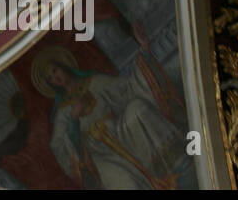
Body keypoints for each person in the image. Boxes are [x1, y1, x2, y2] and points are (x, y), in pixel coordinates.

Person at [32, 30, 187, 190]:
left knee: (137, 109)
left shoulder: (94, 82)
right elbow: (59, 147)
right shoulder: (62, 113)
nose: (55, 78)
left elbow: (128, 88)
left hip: (120, 131)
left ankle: (177, 167)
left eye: (55, 71)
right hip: (100, 154)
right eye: (50, 78)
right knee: (121, 180)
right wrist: (73, 120)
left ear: (63, 67)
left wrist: (145, 52)